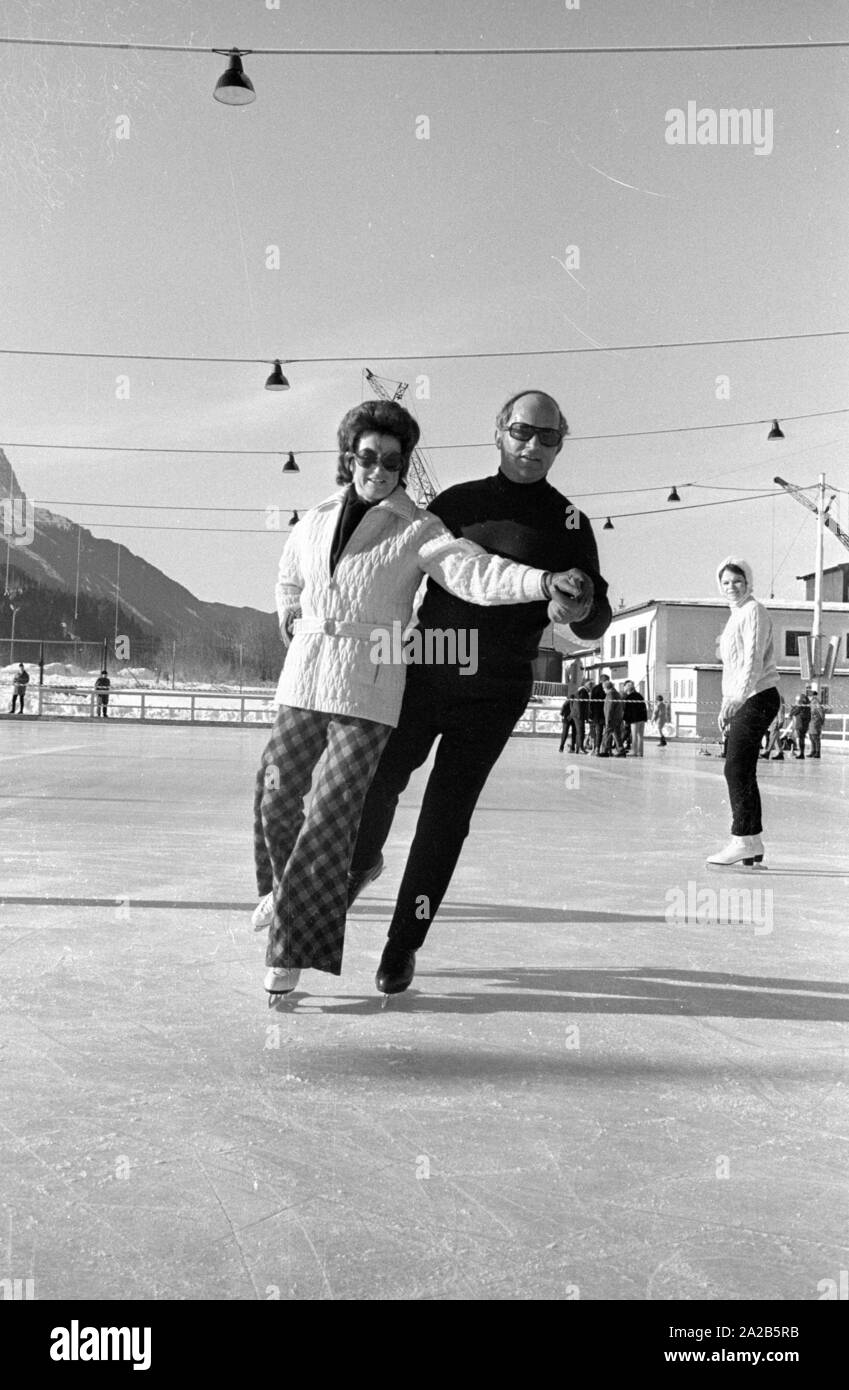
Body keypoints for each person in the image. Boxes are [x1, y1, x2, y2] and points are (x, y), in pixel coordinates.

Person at [252, 398, 583, 1002]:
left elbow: (474, 572)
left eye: (392, 461)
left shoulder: (424, 526)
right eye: (368, 457)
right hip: (326, 674)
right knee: (275, 793)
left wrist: (544, 585)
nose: (379, 470)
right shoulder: (321, 514)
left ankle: (330, 946)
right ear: (349, 457)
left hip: (389, 683)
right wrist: (287, 605)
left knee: (344, 815)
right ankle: (285, 893)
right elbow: (289, 570)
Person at [347, 389, 612, 994]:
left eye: (549, 438)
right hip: (428, 671)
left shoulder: (571, 523)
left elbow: (594, 618)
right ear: (499, 431)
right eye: (522, 431)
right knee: (378, 778)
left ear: (560, 444)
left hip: (497, 689)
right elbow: (392, 576)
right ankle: (360, 861)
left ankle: (401, 945)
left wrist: (582, 606)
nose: (533, 446)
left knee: (446, 817)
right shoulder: (456, 503)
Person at [707, 558, 780, 868]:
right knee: (741, 768)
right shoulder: (736, 615)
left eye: (737, 581)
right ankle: (752, 841)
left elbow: (750, 661)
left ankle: (741, 840)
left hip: (758, 695)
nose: (731, 587)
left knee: (735, 768)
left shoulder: (754, 611)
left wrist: (736, 698)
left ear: (748, 582)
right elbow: (733, 669)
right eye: (725, 582)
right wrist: (728, 701)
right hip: (745, 697)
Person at [600, 679, 626, 756]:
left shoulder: (610, 694)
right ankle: (621, 750)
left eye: (603, 688)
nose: (603, 690)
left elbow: (609, 708)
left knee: (606, 734)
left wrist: (607, 720)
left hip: (611, 718)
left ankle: (604, 751)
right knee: (616, 734)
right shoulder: (617, 694)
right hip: (617, 718)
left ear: (606, 688)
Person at [622, 680, 648, 756]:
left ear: (628, 690)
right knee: (640, 736)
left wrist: (625, 719)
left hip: (634, 719)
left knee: (634, 736)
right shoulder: (640, 696)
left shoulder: (629, 698)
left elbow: (627, 711)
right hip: (642, 719)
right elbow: (644, 707)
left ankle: (634, 751)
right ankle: (640, 752)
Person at [761, 695, 786, 760]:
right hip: (773, 719)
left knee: (772, 735)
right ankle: (780, 753)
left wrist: (781, 720)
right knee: (776, 737)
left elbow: (781, 709)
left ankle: (768, 752)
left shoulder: (778, 697)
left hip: (776, 719)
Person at [588, 675, 608, 754]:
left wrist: (591, 714)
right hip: (604, 713)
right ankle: (604, 749)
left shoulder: (594, 689)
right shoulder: (605, 689)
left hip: (596, 714)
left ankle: (597, 748)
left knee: (598, 732)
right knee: (606, 731)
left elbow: (591, 703)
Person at [789, 691, 811, 759]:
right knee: (802, 738)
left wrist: (793, 708)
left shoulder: (799, 707)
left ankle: (801, 753)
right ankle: (802, 753)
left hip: (799, 724)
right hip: (804, 724)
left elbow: (792, 713)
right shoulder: (807, 708)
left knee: (801, 739)